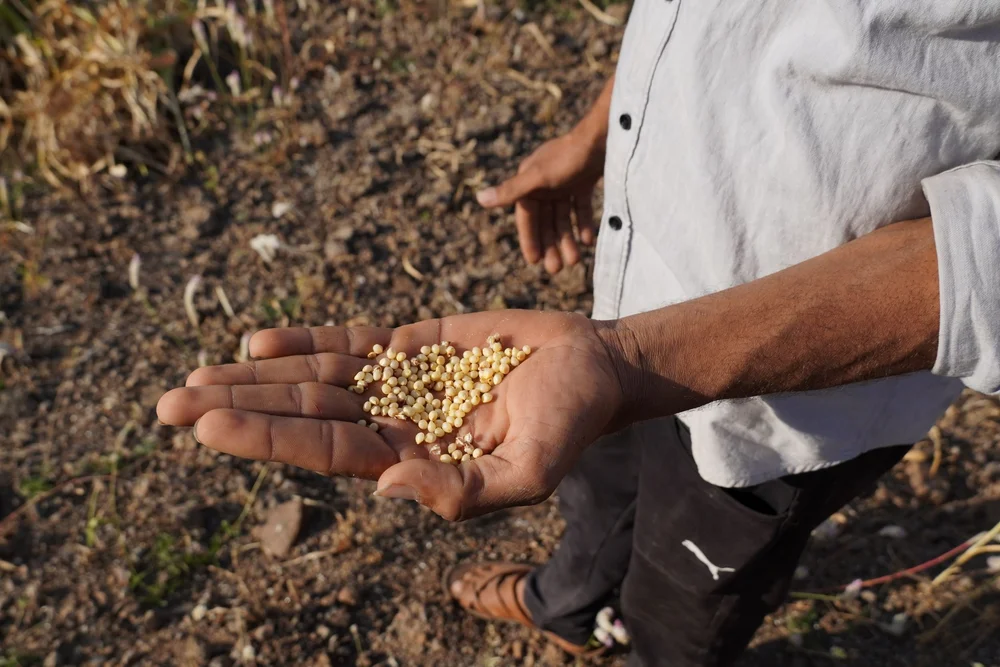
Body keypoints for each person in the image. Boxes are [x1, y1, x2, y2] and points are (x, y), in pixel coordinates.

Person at [157, 2, 1000, 664]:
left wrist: (631, 363)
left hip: (792, 404)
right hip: (623, 307)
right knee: (593, 488)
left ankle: (642, 648)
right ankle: (565, 603)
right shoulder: (597, 353)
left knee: (688, 595)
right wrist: (602, 130)